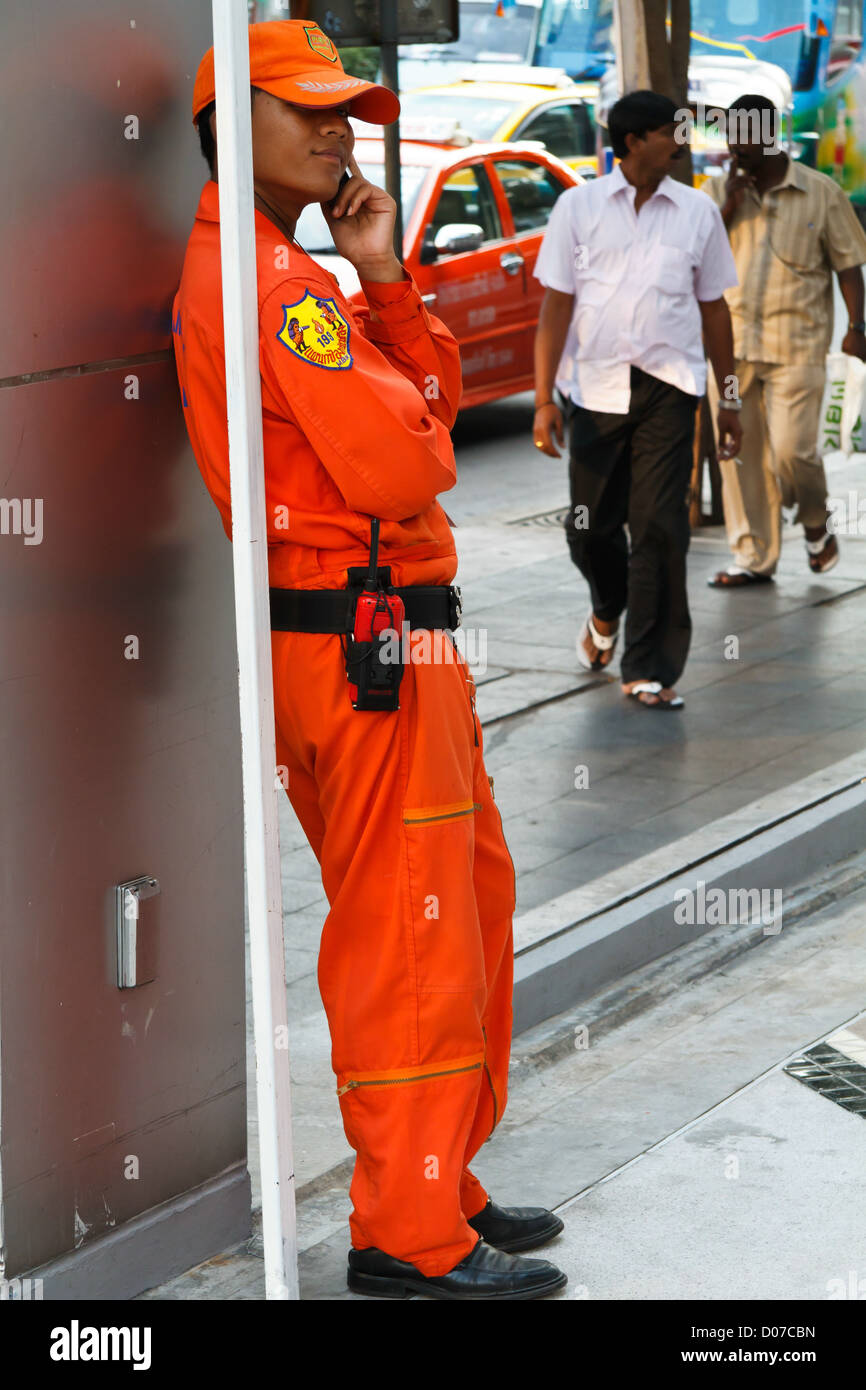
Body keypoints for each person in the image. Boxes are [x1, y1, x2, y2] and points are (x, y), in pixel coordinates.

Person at [172, 20, 567, 1299]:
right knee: (410, 928)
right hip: (362, 638)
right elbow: (410, 458)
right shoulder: (269, 285)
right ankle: (405, 1233)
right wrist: (398, 387)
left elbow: (429, 405)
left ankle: (436, 1174)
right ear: (233, 125)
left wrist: (384, 277)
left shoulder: (301, 271)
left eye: (345, 109)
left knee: (464, 899)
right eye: (309, 110)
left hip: (393, 629)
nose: (339, 130)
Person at [534, 91, 742, 710]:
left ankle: (650, 667)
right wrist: (543, 399)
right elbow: (556, 307)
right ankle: (606, 609)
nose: (681, 142)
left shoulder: (698, 212)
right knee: (589, 529)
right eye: (670, 132)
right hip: (593, 388)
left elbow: (715, 311)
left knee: (658, 526)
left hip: (670, 388)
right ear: (633, 142)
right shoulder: (578, 207)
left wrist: (728, 399)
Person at [703, 93, 866, 588]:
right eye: (731, 135)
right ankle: (753, 557)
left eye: (746, 135)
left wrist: (857, 328)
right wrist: (729, 204)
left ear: (770, 135)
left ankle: (815, 519)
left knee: (792, 452)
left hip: (797, 346)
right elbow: (692, 258)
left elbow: (849, 265)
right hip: (730, 351)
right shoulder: (713, 192)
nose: (737, 146)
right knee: (740, 456)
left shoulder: (819, 192)